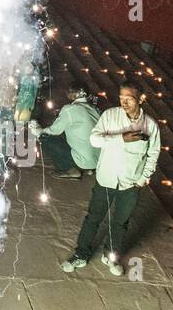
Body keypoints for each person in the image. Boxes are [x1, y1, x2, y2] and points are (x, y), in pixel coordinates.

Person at [61, 83, 161, 276]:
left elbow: (153, 154)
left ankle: (110, 255)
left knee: (120, 222)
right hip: (106, 178)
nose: (123, 102)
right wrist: (120, 138)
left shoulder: (151, 126)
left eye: (129, 98)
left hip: (130, 183)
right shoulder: (110, 116)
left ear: (141, 99)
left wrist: (142, 179)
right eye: (121, 97)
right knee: (93, 217)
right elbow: (94, 140)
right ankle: (81, 254)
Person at [28, 82, 100, 178]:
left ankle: (70, 169)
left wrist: (37, 130)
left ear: (74, 94)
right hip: (97, 161)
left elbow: (53, 131)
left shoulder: (69, 109)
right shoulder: (94, 109)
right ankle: (89, 169)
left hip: (82, 162)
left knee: (45, 137)